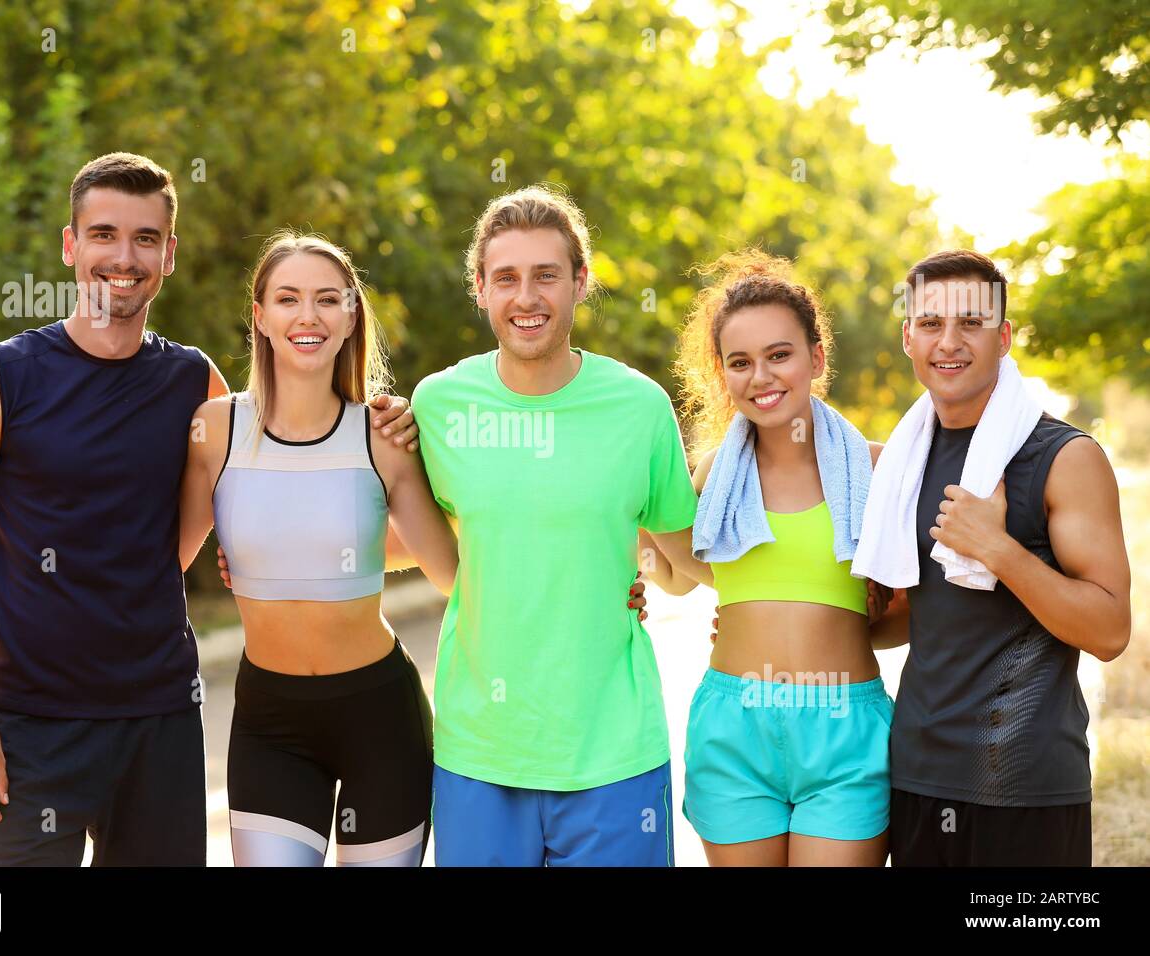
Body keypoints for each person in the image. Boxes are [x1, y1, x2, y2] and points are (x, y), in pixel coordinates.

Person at [0, 152, 416, 867]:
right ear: (70, 246)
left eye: (145, 238)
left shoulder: (195, 386)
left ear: (169, 254)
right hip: (29, 730)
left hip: (161, 727)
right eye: (104, 235)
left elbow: (303, 496)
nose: (124, 257)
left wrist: (380, 422)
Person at [409, 185, 701, 866]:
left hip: (615, 755)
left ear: (580, 283)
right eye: (506, 278)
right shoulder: (440, 405)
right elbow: (412, 541)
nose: (527, 297)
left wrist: (645, 572)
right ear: (479, 288)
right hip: (481, 751)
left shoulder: (639, 408)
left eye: (547, 275)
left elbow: (684, 562)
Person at [180, 231, 458, 866]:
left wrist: (611, 580)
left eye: (327, 299)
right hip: (270, 722)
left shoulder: (384, 435)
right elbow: (155, 560)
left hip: (379, 717)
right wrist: (37, 587)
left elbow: (450, 570)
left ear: (351, 314)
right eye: (288, 299)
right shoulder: (215, 429)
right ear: (260, 314)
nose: (308, 316)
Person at [852, 249, 1132, 867]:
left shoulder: (1064, 458)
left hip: (1026, 784)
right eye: (930, 323)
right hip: (917, 775)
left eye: (971, 322)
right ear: (908, 337)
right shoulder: (902, 462)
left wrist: (997, 550)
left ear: (1003, 337)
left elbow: (1111, 631)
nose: (949, 341)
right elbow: (915, 621)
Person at [642, 250, 900, 866]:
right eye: (740, 362)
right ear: (723, 375)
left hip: (844, 725)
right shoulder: (714, 476)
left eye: (779, 355)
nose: (761, 376)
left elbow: (913, 615)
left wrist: (844, 622)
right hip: (735, 727)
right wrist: (634, 576)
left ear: (816, 357)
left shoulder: (876, 469)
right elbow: (679, 571)